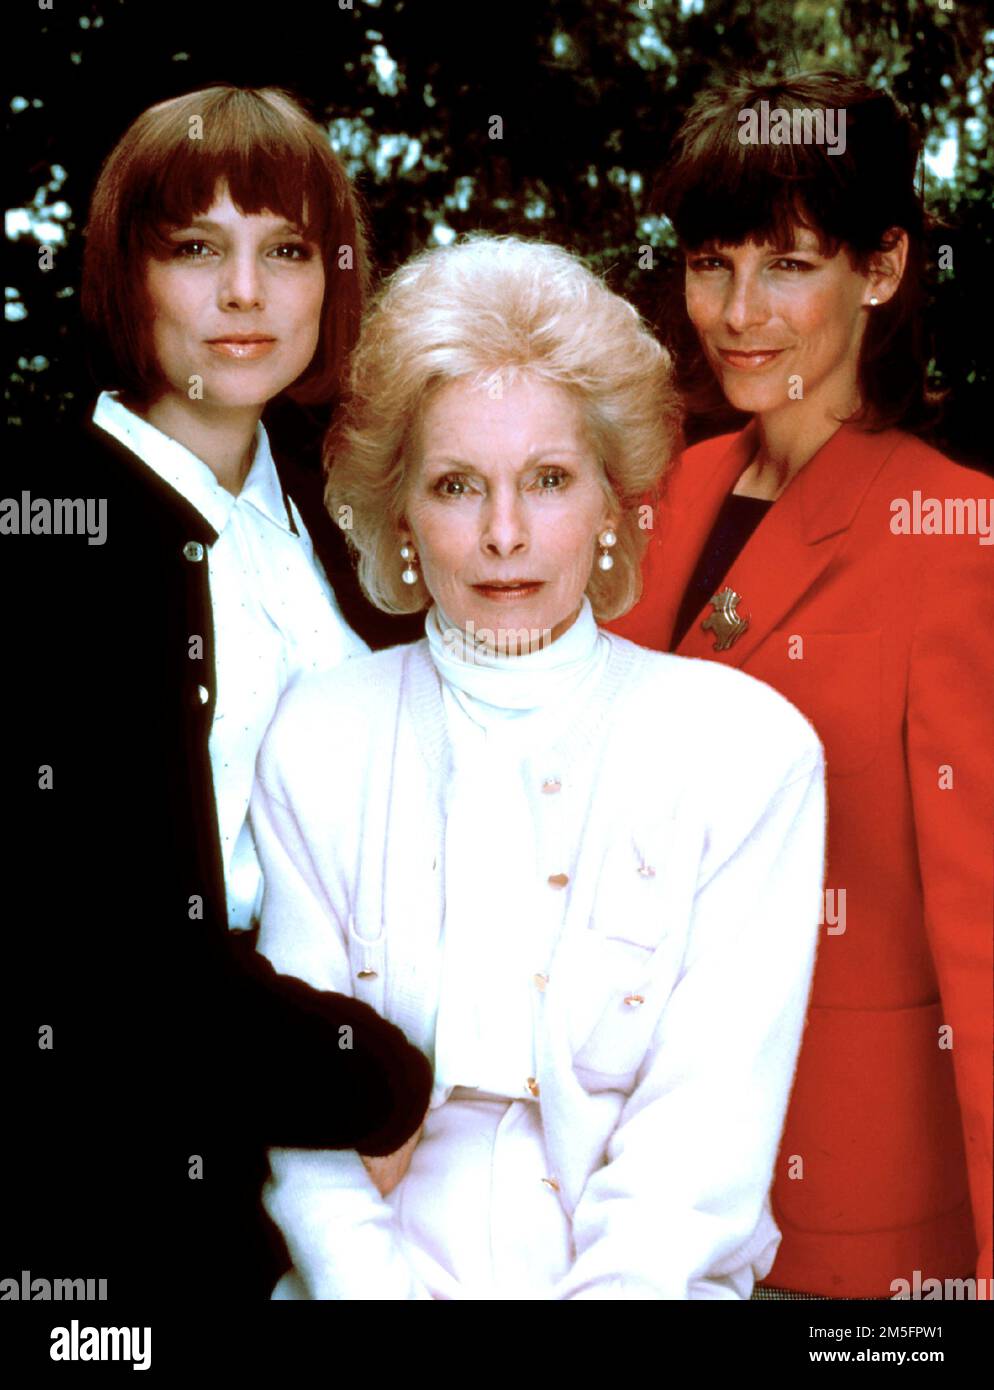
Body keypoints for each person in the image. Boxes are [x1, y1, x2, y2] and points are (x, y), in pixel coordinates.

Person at [249, 234, 827, 1300]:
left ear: (613, 501)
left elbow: (696, 1151)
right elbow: (311, 1134)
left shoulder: (749, 750)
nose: (504, 533)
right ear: (402, 514)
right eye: (459, 484)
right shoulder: (317, 735)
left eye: (549, 480)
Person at [7, 85, 431, 1303]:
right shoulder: (48, 528)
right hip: (124, 1208)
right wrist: (382, 1081)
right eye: (196, 249)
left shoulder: (332, 511)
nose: (245, 293)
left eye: (286, 249)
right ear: (126, 274)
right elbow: (103, 959)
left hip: (359, 1193)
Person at [606, 71, 993, 1299]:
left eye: (786, 264)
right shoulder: (653, 489)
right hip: (638, 1189)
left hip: (860, 1227)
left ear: (881, 269)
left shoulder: (958, 536)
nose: (736, 311)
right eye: (712, 262)